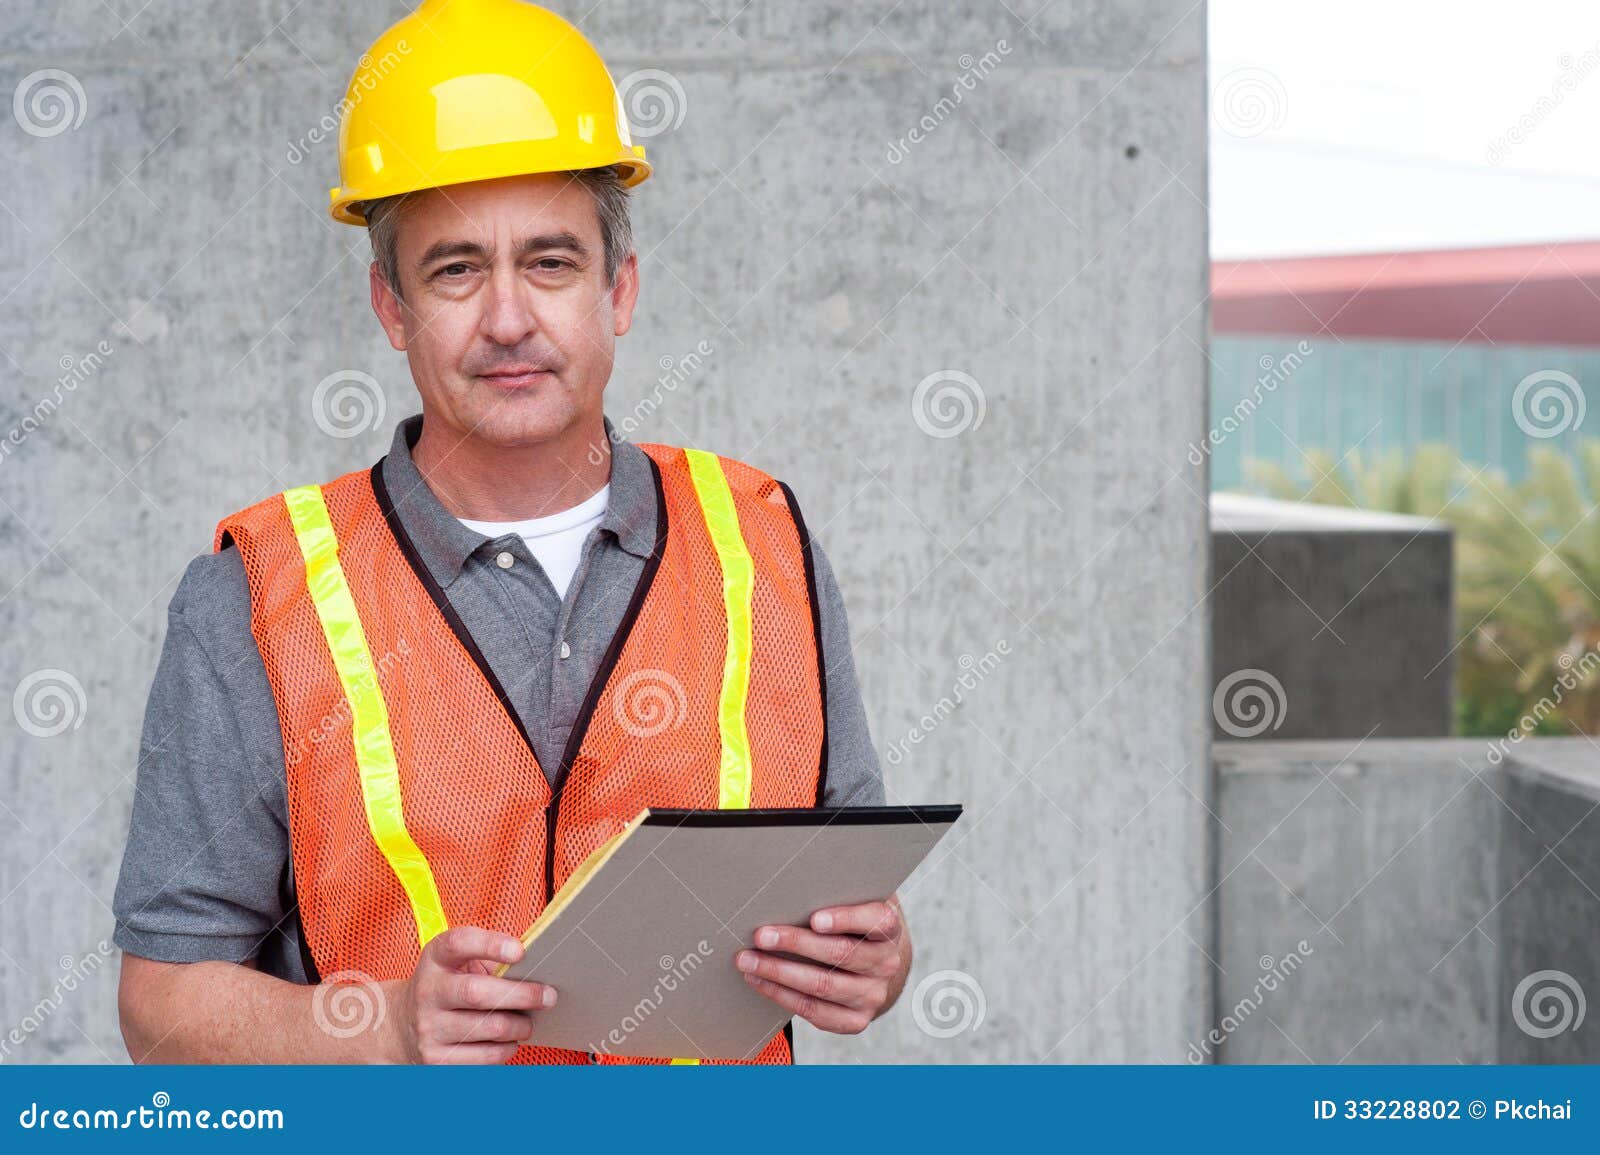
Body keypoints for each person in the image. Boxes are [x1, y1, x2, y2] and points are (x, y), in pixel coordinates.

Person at [111, 0, 910, 1065]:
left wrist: (874, 963)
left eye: (549, 263)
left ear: (617, 289)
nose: (507, 320)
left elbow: (846, 897)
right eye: (454, 269)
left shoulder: (761, 543)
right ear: (390, 309)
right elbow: (160, 1007)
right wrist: (382, 1026)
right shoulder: (255, 595)